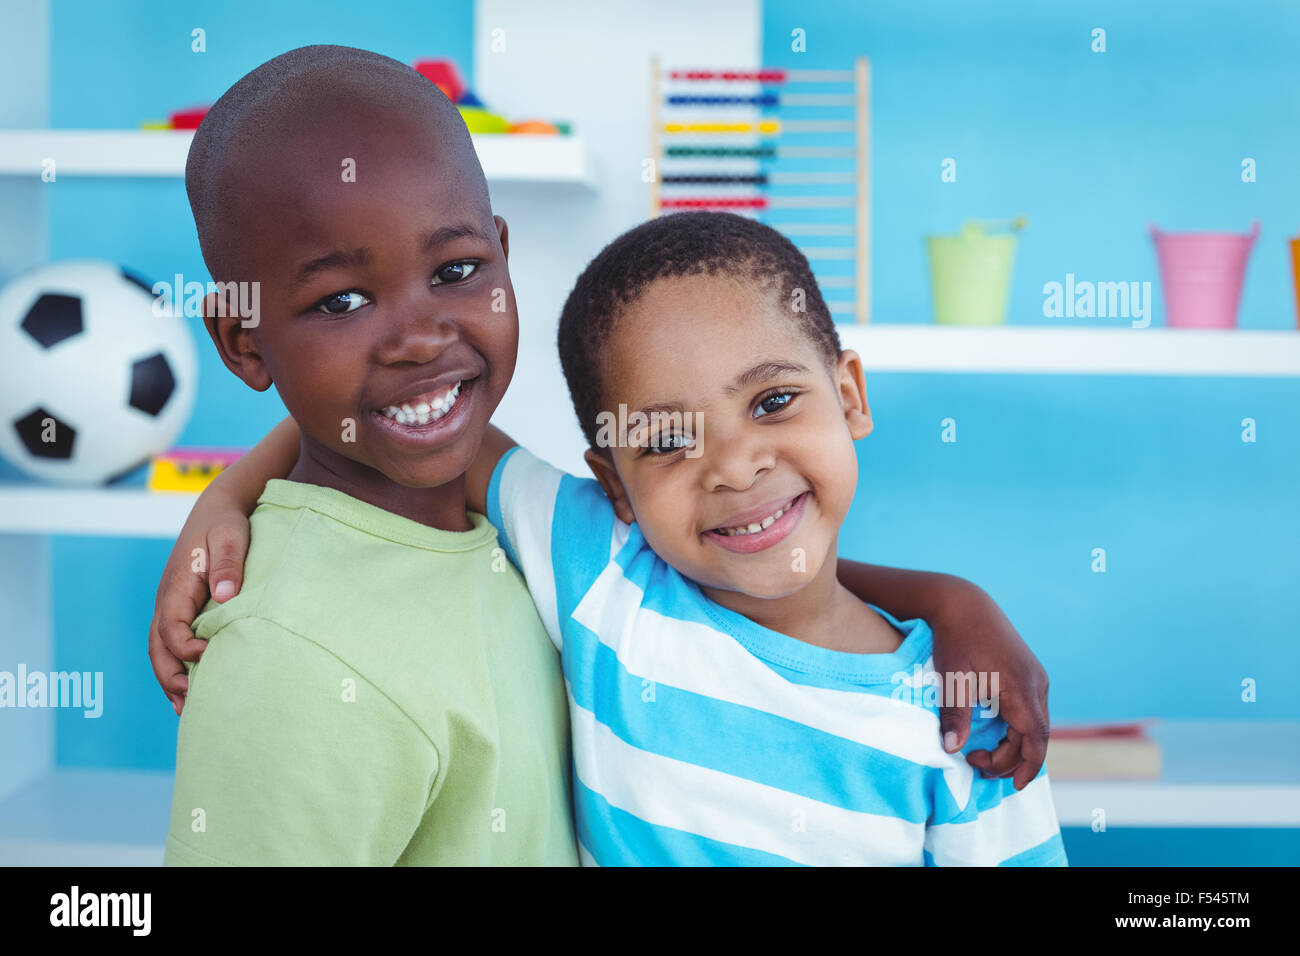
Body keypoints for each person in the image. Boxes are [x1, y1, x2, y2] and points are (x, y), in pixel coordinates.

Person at [162, 44, 575, 865]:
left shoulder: (521, 519)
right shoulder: (288, 656)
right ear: (245, 342)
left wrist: (227, 493)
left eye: (456, 269)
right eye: (341, 301)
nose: (421, 338)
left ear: (500, 253)